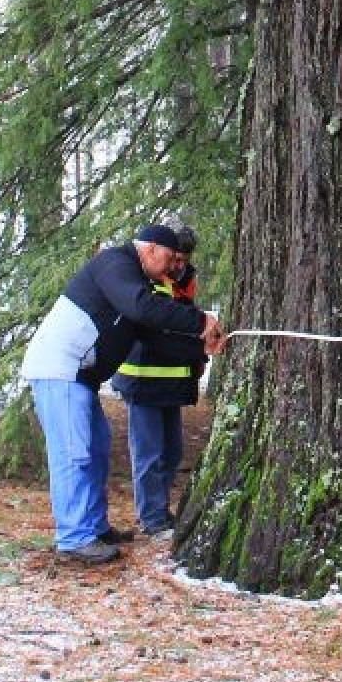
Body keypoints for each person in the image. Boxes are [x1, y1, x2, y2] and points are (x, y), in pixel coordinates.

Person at [21, 224, 223, 565]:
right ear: (151, 249)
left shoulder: (137, 285)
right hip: (59, 370)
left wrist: (200, 349)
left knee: (97, 449)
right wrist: (200, 319)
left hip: (80, 378)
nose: (176, 267)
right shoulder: (116, 265)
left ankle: (95, 527)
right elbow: (142, 308)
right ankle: (74, 538)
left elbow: (154, 335)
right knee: (74, 453)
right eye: (171, 259)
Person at [112, 223, 205, 537]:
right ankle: (151, 519)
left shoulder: (185, 283)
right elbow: (156, 333)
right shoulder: (147, 281)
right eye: (173, 259)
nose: (177, 266)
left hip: (172, 382)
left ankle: (160, 512)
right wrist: (197, 346)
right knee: (149, 453)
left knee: (172, 452)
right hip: (143, 379)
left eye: (183, 260)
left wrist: (197, 358)